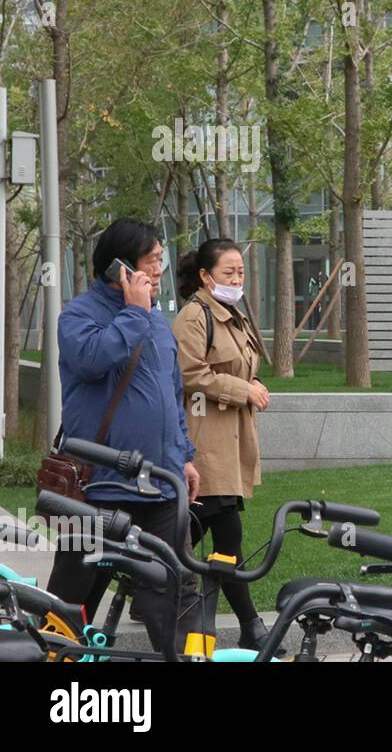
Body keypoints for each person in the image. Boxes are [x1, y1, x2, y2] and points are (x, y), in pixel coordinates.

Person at [47, 218, 203, 655]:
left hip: (158, 488)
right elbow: (95, 359)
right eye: (151, 261)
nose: (159, 271)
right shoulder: (78, 316)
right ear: (119, 266)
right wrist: (134, 311)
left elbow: (172, 397)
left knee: (175, 596)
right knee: (70, 603)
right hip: (96, 488)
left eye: (160, 261)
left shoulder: (156, 320)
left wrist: (184, 457)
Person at [173, 238, 278, 654]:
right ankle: (240, 627)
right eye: (227, 273)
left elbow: (240, 366)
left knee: (221, 538)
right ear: (204, 275)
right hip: (205, 444)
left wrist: (252, 385)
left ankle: (220, 626)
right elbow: (190, 374)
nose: (236, 280)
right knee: (225, 537)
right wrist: (242, 389)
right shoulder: (194, 316)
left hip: (230, 442)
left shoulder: (232, 315)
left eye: (240, 272)